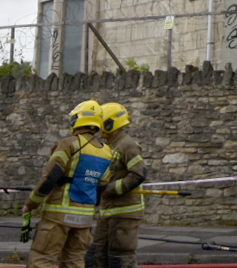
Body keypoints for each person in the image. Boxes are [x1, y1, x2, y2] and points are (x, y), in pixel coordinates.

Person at [23, 100, 113, 268]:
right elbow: (102, 186)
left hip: (58, 215)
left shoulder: (69, 144)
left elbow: (51, 177)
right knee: (74, 261)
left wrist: (31, 203)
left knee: (43, 260)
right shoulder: (106, 152)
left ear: (77, 120)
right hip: (85, 219)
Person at [86, 103, 148, 268]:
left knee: (120, 259)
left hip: (125, 214)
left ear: (110, 123)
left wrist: (110, 189)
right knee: (95, 256)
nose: (97, 129)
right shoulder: (109, 146)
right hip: (108, 211)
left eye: (100, 124)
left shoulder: (127, 145)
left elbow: (138, 173)